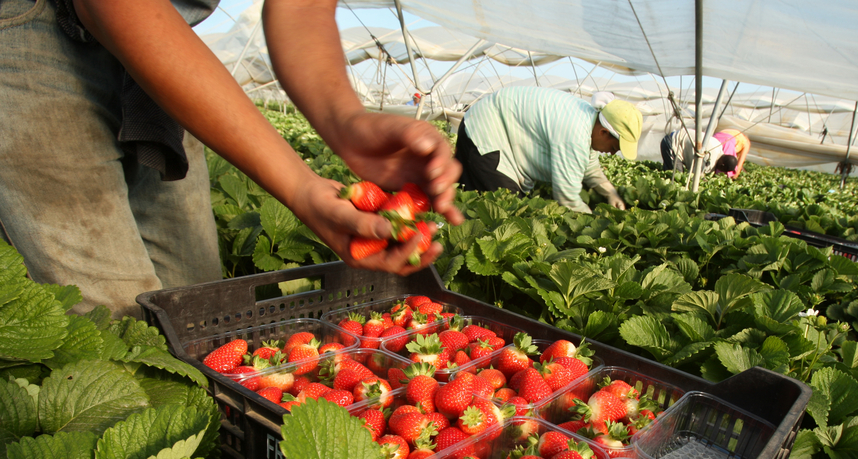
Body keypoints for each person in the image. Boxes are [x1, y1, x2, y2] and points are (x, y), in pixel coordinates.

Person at [0, 0, 462, 320]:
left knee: (198, 301)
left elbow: (302, 7)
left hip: (168, 37)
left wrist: (347, 124)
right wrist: (299, 187)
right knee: (113, 312)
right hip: (34, 27)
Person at [453, 87, 642, 213]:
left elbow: (590, 167)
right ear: (603, 132)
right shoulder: (574, 132)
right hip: (486, 135)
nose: (612, 153)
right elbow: (566, 198)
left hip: (484, 125)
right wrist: (594, 224)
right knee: (506, 211)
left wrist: (610, 192)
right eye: (614, 147)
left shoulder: (588, 120)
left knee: (465, 199)